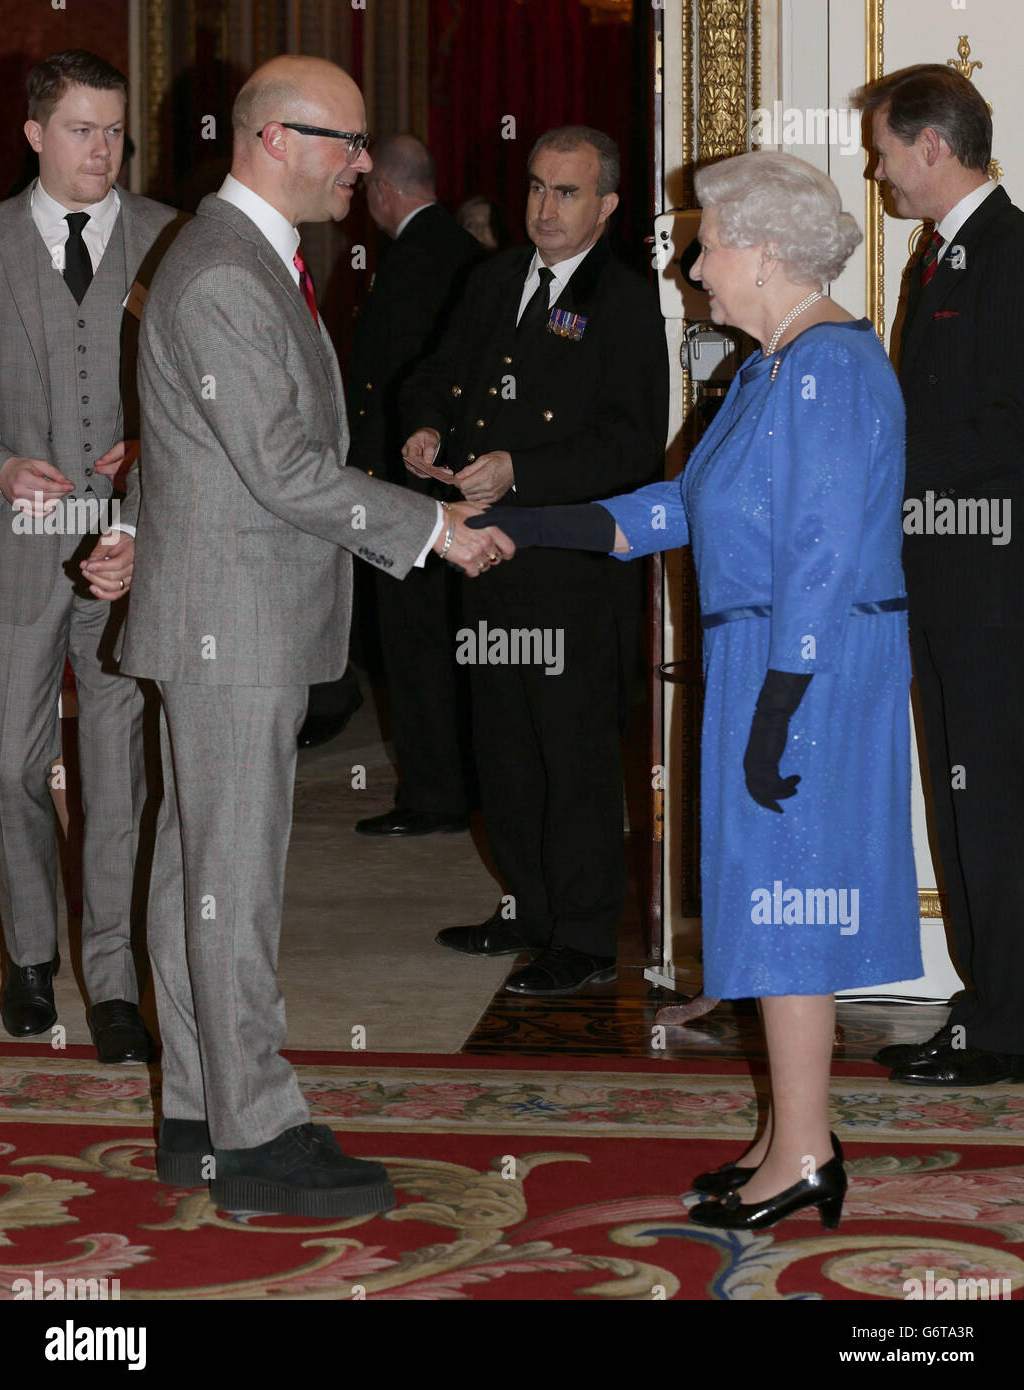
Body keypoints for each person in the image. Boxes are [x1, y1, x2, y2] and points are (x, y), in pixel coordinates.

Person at [471, 151, 923, 1230]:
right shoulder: (769, 368)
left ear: (765, 254)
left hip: (802, 664)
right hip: (772, 660)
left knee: (793, 899)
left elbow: (818, 550)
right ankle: (789, 1132)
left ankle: (807, 1152)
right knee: (768, 897)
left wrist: (780, 704)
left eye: (708, 241)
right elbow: (675, 507)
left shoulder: (831, 366)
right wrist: (521, 525)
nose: (692, 261)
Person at [120, 55, 511, 1219]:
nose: (360, 164)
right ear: (271, 139)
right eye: (341, 142)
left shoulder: (239, 259)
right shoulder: (227, 274)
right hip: (230, 628)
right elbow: (284, 467)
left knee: (198, 870)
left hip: (226, 616)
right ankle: (254, 1130)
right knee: (227, 883)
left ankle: (198, 1111)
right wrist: (431, 528)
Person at [401, 125, 668, 995]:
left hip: (569, 568)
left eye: (567, 193)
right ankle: (528, 907)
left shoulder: (623, 299)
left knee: (573, 753)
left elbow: (632, 444)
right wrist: (426, 425)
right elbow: (437, 372)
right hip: (483, 556)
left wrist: (525, 470)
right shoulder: (490, 280)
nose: (544, 208)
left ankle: (585, 936)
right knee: (504, 747)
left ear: (607, 207)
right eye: (537, 188)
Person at [0, 50, 180, 1062]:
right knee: (5, 763)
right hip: (11, 546)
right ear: (34, 134)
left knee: (119, 770)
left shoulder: (171, 241)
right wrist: (0, 464)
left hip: (128, 539)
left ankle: (112, 979)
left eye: (115, 131)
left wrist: (152, 448)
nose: (102, 150)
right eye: (81, 129)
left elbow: (207, 391)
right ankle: (28, 950)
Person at [853, 66, 1024, 1087]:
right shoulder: (942, 259)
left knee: (993, 802)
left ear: (931, 146)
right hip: (946, 575)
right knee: (964, 799)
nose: (877, 170)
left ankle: (1005, 1022)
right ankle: (992, 995)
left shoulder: (1009, 256)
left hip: (994, 587)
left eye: (882, 151)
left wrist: (888, 463)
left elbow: (1009, 423)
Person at [345, 134, 483, 835]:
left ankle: (433, 794)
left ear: (382, 192)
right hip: (450, 486)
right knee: (447, 645)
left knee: (415, 648)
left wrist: (360, 475)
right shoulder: (462, 252)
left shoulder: (410, 259)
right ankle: (459, 782)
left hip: (405, 489)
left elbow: (391, 384)